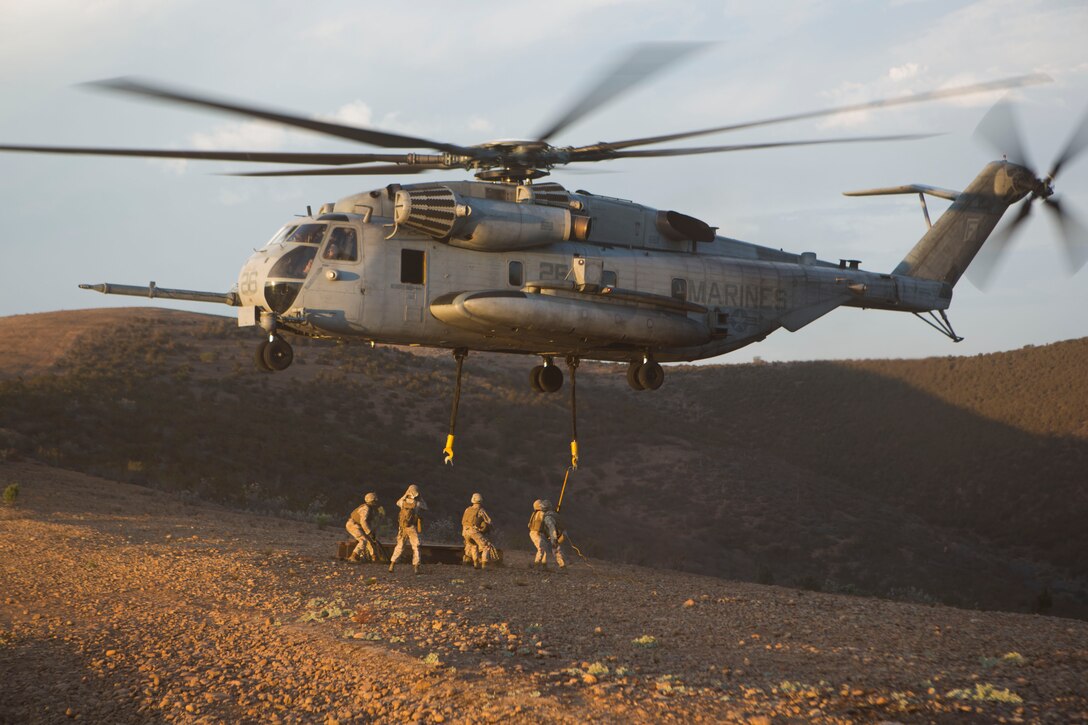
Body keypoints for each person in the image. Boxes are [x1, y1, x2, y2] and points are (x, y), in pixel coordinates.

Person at [388, 484, 426, 574]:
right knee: (416, 546)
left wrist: (405, 496)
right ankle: (416, 567)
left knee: (400, 546)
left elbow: (397, 502)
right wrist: (420, 497)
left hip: (402, 527)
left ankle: (392, 565)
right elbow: (425, 507)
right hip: (412, 527)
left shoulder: (402, 501)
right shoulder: (418, 503)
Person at [461, 492, 493, 569]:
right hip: (473, 531)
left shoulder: (467, 509)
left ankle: (476, 563)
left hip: (465, 532)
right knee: (486, 546)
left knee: (473, 545)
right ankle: (485, 564)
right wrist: (484, 527)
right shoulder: (480, 510)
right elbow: (489, 521)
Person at [345, 492, 381, 563]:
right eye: (375, 501)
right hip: (353, 525)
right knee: (363, 540)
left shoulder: (370, 509)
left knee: (369, 541)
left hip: (357, 526)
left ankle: (374, 557)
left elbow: (368, 523)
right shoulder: (365, 508)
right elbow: (363, 522)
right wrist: (369, 532)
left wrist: (371, 533)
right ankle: (353, 557)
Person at [538, 499, 566, 570]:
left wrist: (554, 540)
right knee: (555, 549)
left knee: (553, 549)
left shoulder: (548, 518)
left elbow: (552, 528)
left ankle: (562, 566)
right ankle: (561, 565)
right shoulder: (554, 514)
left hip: (555, 535)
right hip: (560, 534)